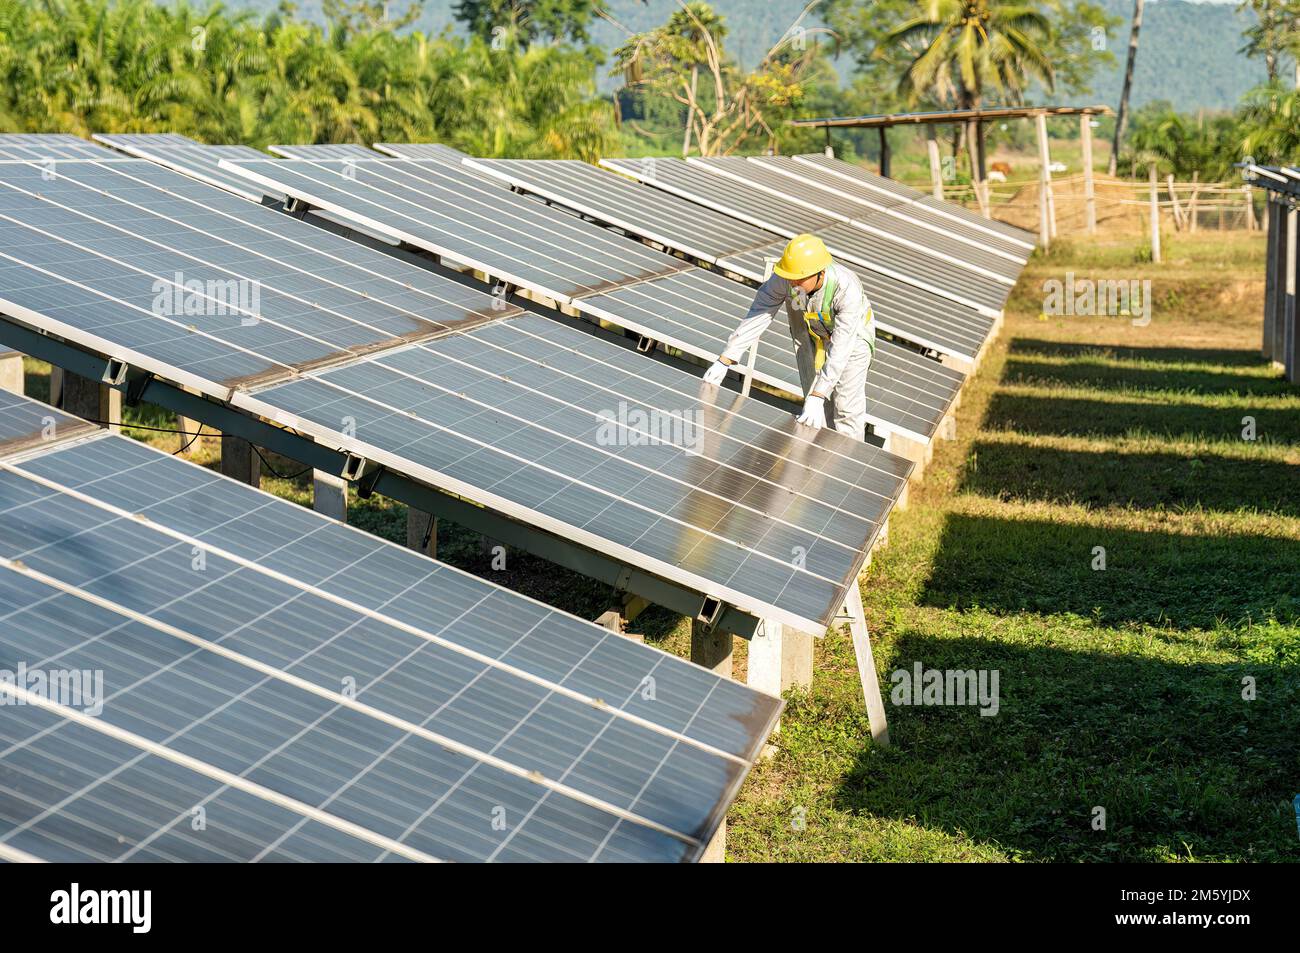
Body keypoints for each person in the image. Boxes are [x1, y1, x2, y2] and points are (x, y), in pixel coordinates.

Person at [703, 233, 876, 439]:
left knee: (845, 404)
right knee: (815, 403)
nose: (793, 283)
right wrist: (726, 358)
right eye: (790, 277)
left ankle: (848, 462)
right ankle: (820, 455)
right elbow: (761, 311)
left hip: (852, 338)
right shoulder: (788, 278)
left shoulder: (846, 289)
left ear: (819, 273)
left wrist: (819, 393)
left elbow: (841, 348)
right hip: (811, 331)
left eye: (799, 278)